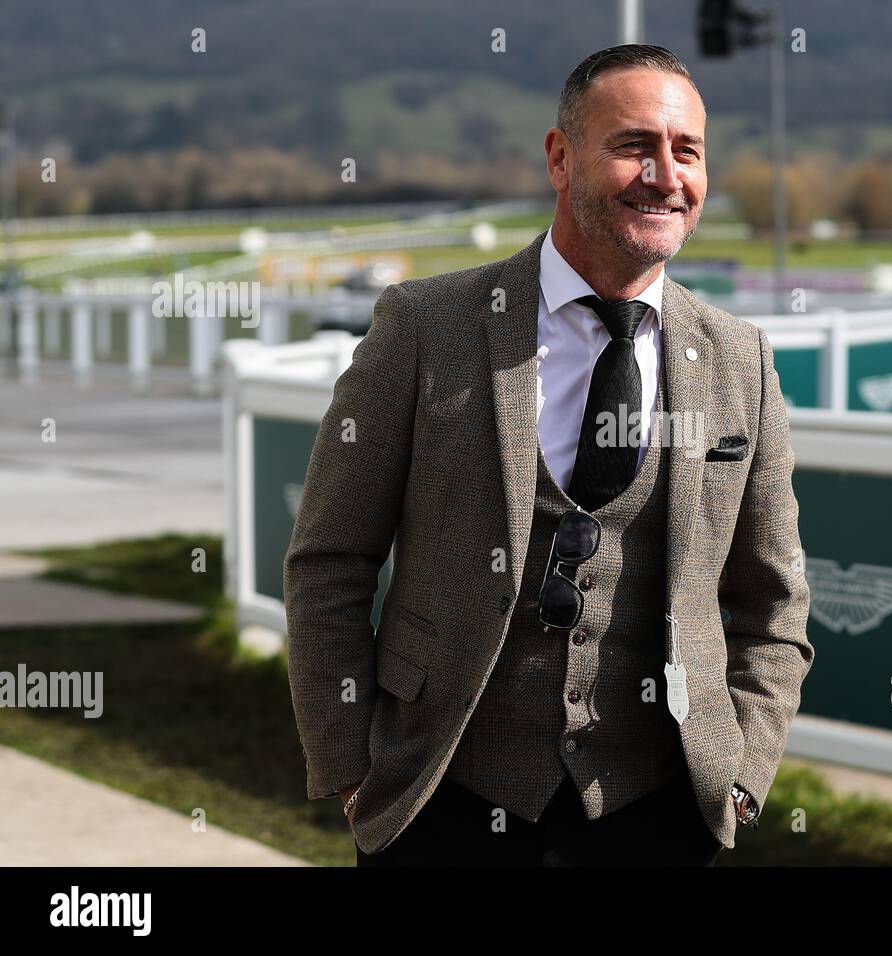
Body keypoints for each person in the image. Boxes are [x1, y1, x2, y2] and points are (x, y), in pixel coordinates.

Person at [283, 43, 812, 867]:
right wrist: (350, 766)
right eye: (634, 144)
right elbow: (330, 560)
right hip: (442, 798)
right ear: (560, 158)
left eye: (688, 150)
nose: (665, 174)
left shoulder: (741, 358)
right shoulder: (426, 328)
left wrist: (740, 774)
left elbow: (773, 599)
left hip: (663, 812)